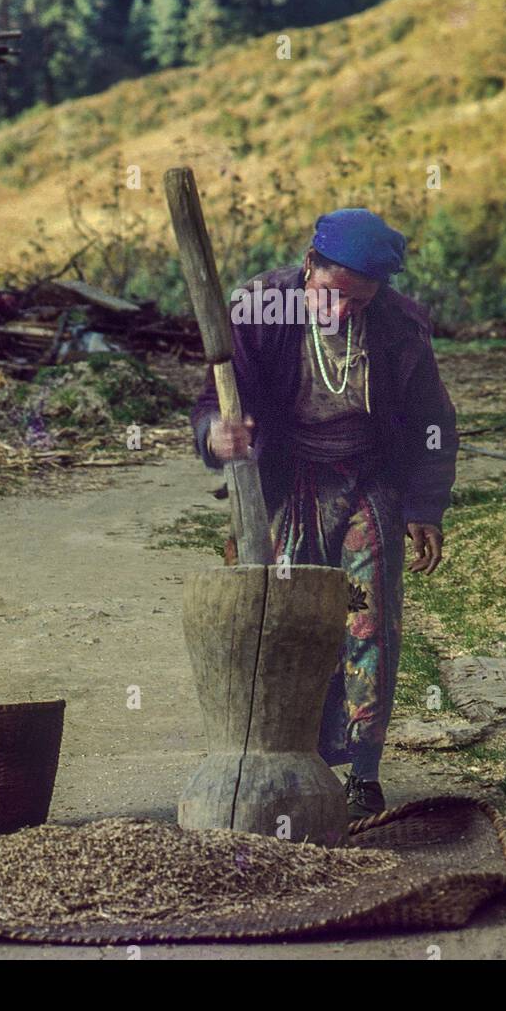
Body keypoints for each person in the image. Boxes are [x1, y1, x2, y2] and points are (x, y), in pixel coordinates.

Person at [191, 208, 458, 819]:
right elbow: (213, 400)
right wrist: (217, 434)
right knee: (284, 618)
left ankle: (363, 772)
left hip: (368, 479)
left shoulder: (398, 327)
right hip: (287, 479)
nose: (340, 313)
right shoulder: (260, 307)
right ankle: (282, 758)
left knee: (368, 622)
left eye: (357, 304)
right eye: (332, 296)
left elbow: (431, 423)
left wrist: (424, 506)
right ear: (309, 265)